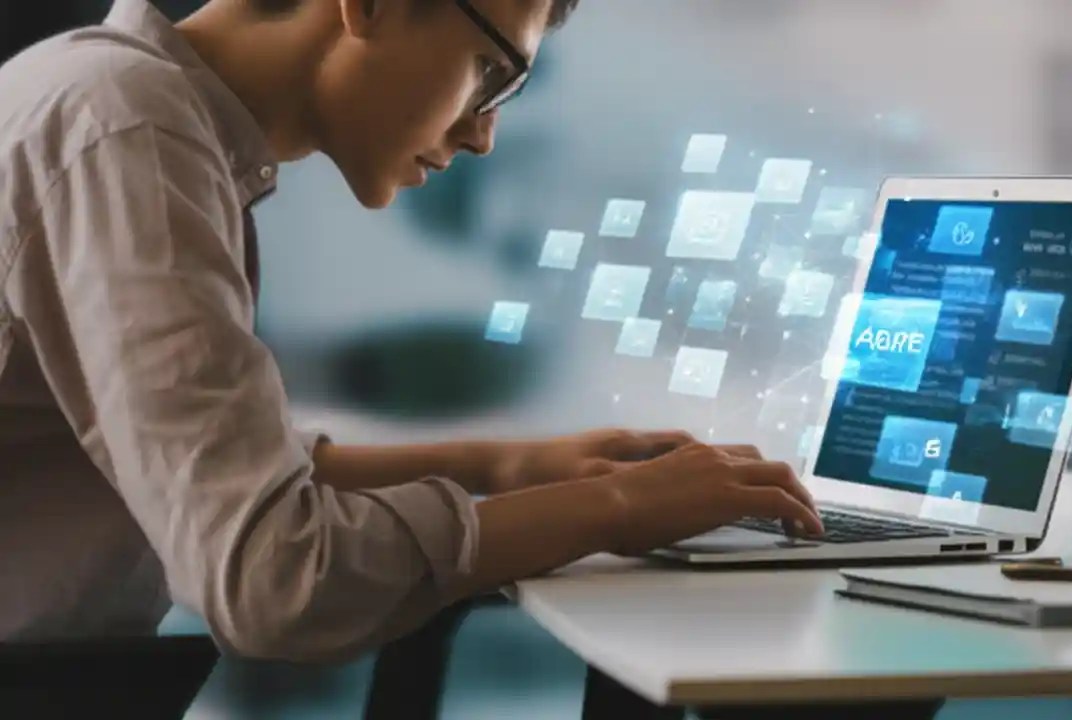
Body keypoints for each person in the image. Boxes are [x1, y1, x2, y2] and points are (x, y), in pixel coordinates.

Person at [0, 0, 825, 661]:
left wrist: (506, 466)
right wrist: (611, 508)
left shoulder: (98, 94)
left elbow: (212, 471)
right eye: (492, 73)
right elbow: (272, 573)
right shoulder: (130, 135)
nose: (483, 131)